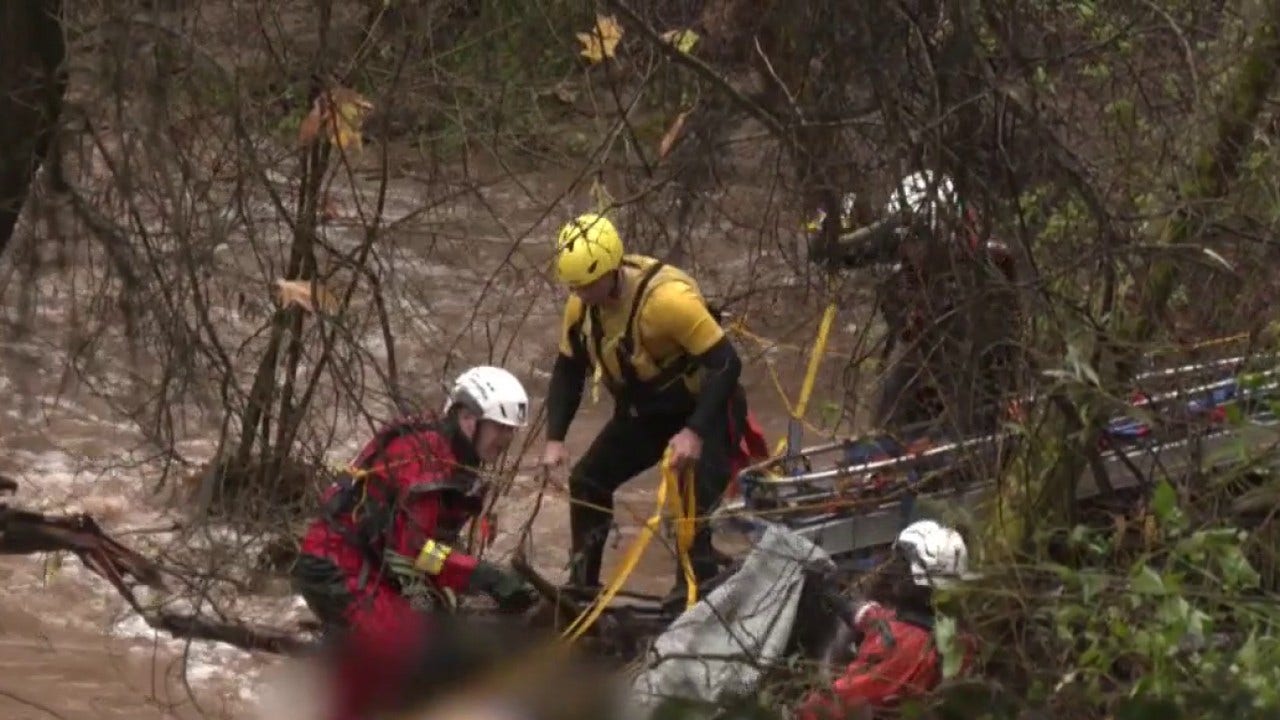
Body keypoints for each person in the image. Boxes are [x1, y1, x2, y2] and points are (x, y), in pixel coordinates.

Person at [540, 212, 766, 608]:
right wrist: (555, 438)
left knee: (688, 503)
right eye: (575, 286)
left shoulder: (667, 303)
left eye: (588, 285)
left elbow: (727, 363)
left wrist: (695, 432)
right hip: (649, 412)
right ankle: (582, 589)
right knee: (588, 481)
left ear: (611, 272)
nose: (581, 294)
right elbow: (568, 369)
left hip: (708, 408)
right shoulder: (580, 308)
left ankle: (691, 600)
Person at [293, 365, 541, 720]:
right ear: (468, 417)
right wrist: (483, 576)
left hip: (368, 565)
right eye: (500, 428)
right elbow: (416, 550)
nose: (505, 440)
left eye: (511, 432)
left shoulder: (450, 452)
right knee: (411, 659)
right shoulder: (425, 457)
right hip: (335, 567)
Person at [808, 171, 1022, 440]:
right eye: (905, 240)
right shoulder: (906, 249)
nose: (909, 249)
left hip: (974, 371)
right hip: (922, 354)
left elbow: (994, 356)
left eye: (916, 240)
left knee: (957, 405)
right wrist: (826, 229)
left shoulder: (983, 268)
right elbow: (834, 254)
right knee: (891, 403)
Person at [795, 519, 979, 720]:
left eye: (902, 565)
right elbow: (871, 617)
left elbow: (833, 704)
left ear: (917, 577)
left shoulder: (900, 647)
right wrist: (829, 594)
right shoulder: (956, 635)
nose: (893, 574)